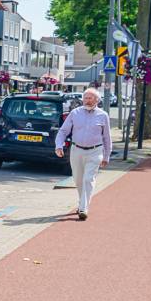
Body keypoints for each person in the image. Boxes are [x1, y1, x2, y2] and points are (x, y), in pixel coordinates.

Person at [55, 87, 112, 220]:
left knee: (88, 179)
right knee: (78, 180)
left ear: (97, 100)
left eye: (90, 98)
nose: (87, 100)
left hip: (95, 151)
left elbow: (107, 138)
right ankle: (82, 201)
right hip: (77, 150)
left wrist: (106, 155)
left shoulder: (103, 115)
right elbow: (63, 131)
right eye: (85, 98)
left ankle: (83, 208)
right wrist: (59, 145)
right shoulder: (75, 113)